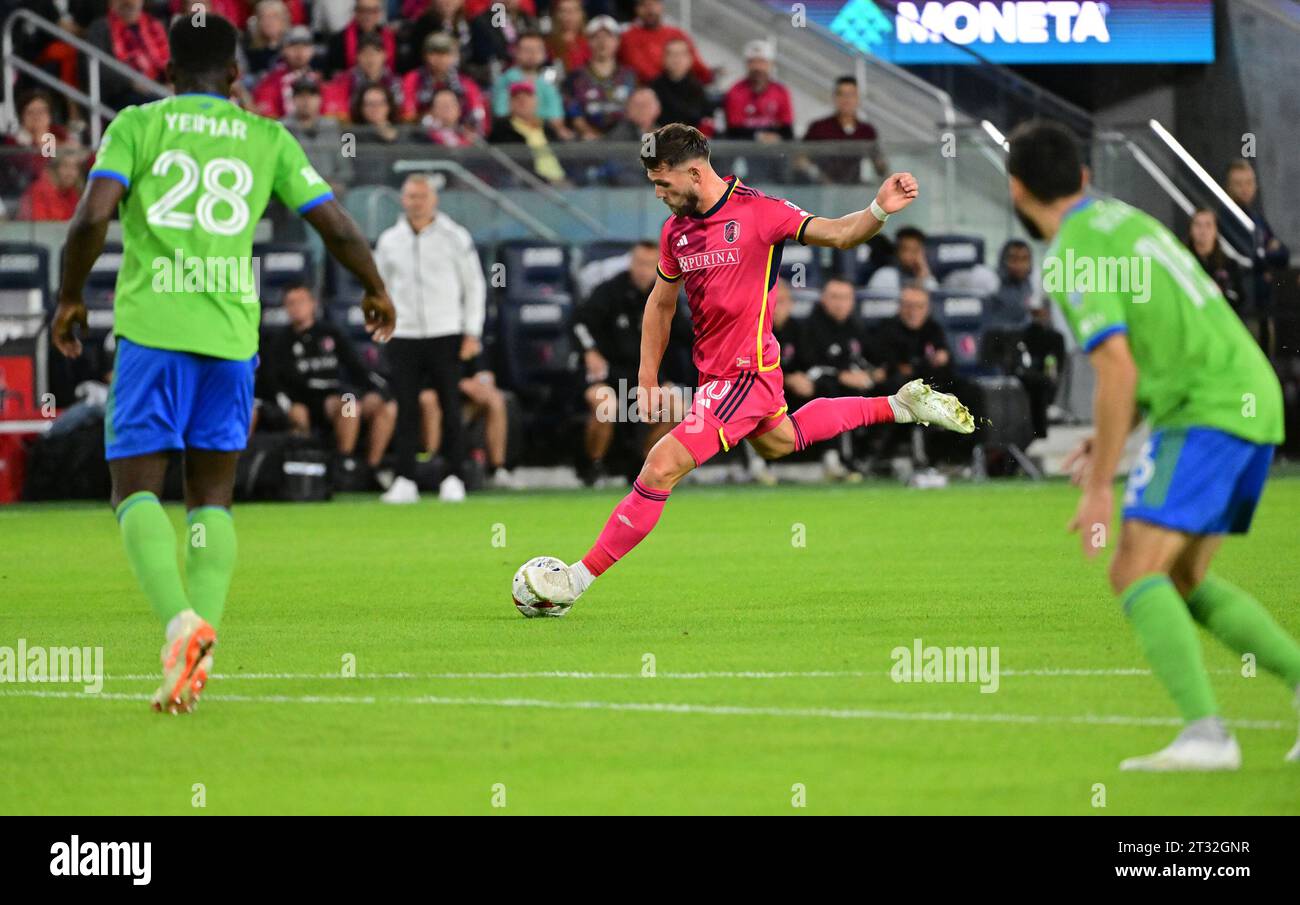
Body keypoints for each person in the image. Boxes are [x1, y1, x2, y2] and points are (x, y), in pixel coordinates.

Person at [50, 13, 395, 715]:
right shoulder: (266, 136)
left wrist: (67, 298)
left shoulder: (138, 125)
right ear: (238, 74)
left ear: (168, 73)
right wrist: (374, 286)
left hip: (154, 333)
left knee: (134, 489)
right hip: (233, 341)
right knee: (212, 496)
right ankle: (201, 638)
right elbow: (334, 222)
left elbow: (90, 216)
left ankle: (180, 620)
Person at [520, 124, 972, 609]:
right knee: (780, 441)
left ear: (695, 172)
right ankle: (898, 405)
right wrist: (647, 377)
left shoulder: (762, 212)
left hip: (746, 374)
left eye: (663, 183)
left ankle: (575, 580)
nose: (658, 194)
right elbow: (660, 304)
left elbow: (842, 234)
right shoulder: (676, 231)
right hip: (716, 375)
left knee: (659, 467)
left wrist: (879, 208)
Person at [1008, 119, 1300, 771]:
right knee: (1185, 576)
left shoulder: (1074, 252)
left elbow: (1117, 366)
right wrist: (1111, 432)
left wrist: (1097, 487)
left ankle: (1207, 736)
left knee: (1132, 568)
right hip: (1248, 392)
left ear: (1017, 189)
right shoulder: (1125, 220)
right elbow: (1156, 341)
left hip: (1208, 408)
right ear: (1084, 177)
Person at [374, 173, 486, 504]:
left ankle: (454, 476)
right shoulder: (389, 240)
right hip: (404, 333)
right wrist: (383, 324)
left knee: (450, 406)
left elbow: (474, 286)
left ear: (434, 200)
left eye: (422, 196)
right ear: (402, 199)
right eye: (410, 196)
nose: (416, 202)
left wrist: (472, 331)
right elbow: (379, 288)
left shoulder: (456, 237)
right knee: (405, 407)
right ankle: (404, 478)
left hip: (446, 331)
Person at [572, 241, 689, 485]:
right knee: (606, 404)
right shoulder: (609, 291)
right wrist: (590, 351)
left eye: (649, 265)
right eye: (638, 263)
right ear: (630, 263)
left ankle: (643, 464)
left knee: (680, 409)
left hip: (649, 379)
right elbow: (578, 323)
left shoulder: (665, 295)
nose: (643, 270)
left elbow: (689, 335)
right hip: (609, 375)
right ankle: (593, 467)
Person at [269, 283, 396, 481]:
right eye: (291, 303)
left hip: (336, 396)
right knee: (344, 404)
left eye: (301, 302)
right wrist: (288, 403)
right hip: (303, 399)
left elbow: (358, 369)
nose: (297, 307)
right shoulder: (280, 341)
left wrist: (380, 391)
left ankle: (370, 468)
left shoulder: (330, 333)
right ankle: (327, 468)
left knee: (372, 405)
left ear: (313, 304)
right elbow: (273, 380)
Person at [800, 277, 887, 480]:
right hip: (819, 387)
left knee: (891, 389)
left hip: (855, 386)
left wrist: (875, 373)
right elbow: (809, 366)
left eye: (845, 298)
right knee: (831, 392)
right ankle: (834, 458)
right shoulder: (811, 327)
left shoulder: (855, 326)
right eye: (835, 297)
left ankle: (871, 457)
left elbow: (875, 359)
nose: (840, 303)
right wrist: (842, 375)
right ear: (823, 299)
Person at [1225, 159, 1290, 350]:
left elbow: (1283, 254)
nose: (1245, 189)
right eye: (1238, 184)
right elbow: (1251, 257)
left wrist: (1266, 255)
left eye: (1249, 182)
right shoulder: (1227, 218)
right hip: (1243, 305)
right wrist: (1265, 254)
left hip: (1264, 303)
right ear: (1228, 187)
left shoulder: (1256, 218)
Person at [85, 0, 170, 110]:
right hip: (122, 92)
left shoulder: (155, 25)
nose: (127, 3)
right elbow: (98, 64)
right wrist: (131, 81)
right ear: (111, 3)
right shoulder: (101, 27)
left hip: (158, 87)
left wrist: (172, 81)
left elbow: (169, 59)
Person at [563, 16, 637, 141]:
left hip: (624, 142)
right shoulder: (575, 77)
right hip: (588, 143)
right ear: (588, 42)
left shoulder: (630, 76)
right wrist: (589, 133)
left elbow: (636, 111)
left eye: (609, 36)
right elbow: (574, 114)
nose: (602, 42)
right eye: (596, 37)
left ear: (618, 41)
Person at [802, 76, 888, 183]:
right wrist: (818, 176)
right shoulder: (819, 127)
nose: (846, 99)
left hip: (853, 190)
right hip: (822, 191)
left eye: (851, 95)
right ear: (834, 98)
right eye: (841, 94)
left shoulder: (866, 131)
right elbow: (800, 159)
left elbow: (879, 165)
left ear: (857, 98)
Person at [401, 32, 489, 136]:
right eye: (434, 53)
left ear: (454, 56)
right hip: (423, 137)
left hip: (459, 137)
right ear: (425, 55)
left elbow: (478, 115)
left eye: (445, 54)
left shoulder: (465, 83)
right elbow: (407, 114)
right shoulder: (413, 79)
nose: (440, 59)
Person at [490, 31, 571, 141]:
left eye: (538, 49)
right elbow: (502, 115)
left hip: (545, 135)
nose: (533, 54)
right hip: (514, 137)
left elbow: (556, 119)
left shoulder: (547, 85)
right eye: (527, 50)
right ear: (516, 52)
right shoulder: (505, 81)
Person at [874, 284, 953, 389]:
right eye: (909, 306)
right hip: (900, 389)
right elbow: (891, 368)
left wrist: (942, 358)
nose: (913, 312)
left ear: (928, 308)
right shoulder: (887, 329)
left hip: (932, 384)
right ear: (900, 307)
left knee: (972, 390)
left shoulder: (933, 328)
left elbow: (945, 361)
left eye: (919, 306)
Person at [487, 82, 567, 185]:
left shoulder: (547, 127)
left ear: (535, 101)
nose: (523, 102)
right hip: (530, 185)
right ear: (510, 103)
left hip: (562, 180)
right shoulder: (502, 129)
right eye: (517, 98)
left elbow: (565, 155)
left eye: (527, 97)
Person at [618, 0, 710, 85]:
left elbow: (698, 67)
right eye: (643, 5)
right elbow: (641, 70)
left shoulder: (678, 34)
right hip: (649, 92)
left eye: (654, 3)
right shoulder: (628, 37)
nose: (650, 9)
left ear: (661, 6)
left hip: (682, 89)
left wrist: (710, 76)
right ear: (636, 9)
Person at [722, 40, 793, 142]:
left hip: (775, 151)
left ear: (771, 64)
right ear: (746, 64)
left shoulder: (781, 92)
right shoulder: (735, 91)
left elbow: (787, 131)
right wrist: (760, 137)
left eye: (762, 62)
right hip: (743, 150)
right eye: (752, 62)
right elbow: (734, 131)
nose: (757, 67)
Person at [1186, 208, 1246, 317]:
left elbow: (1239, 298)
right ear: (1190, 230)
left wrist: (1219, 295)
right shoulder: (1182, 261)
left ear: (1216, 230)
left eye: (1208, 225)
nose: (1202, 231)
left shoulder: (1230, 265)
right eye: (1197, 225)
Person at [252, 25, 321, 120]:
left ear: (312, 50)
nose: (299, 51)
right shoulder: (269, 83)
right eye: (293, 45)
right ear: (283, 50)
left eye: (305, 45)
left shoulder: (320, 80)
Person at [649, 38, 712, 132]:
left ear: (690, 59)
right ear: (664, 58)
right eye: (671, 54)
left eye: (681, 54)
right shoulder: (653, 89)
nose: (676, 59)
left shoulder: (698, 89)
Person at [325, 0, 396, 75]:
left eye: (373, 11)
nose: (368, 16)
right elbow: (333, 74)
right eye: (363, 10)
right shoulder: (338, 40)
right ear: (355, 12)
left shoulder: (392, 38)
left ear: (380, 13)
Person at [17, 148, 85, 222]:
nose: (71, 173)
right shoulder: (38, 192)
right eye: (66, 167)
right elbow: (41, 227)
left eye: (75, 168)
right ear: (54, 169)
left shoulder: (73, 192)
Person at [865, 226, 938, 294]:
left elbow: (936, 304)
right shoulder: (885, 275)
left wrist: (922, 275)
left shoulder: (927, 278)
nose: (908, 256)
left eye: (914, 250)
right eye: (904, 250)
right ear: (897, 251)